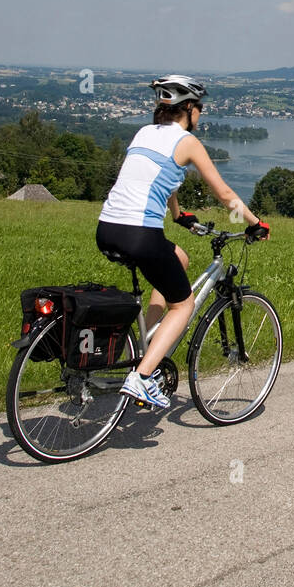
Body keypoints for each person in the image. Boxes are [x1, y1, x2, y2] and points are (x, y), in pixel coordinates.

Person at [96, 75, 268, 411]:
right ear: (188, 108)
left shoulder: (144, 133)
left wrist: (178, 215)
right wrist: (255, 223)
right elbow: (224, 194)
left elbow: (162, 176)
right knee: (185, 305)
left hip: (107, 228)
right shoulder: (187, 142)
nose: (201, 114)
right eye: (199, 108)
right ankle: (142, 378)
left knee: (180, 258)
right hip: (139, 234)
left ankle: (151, 343)